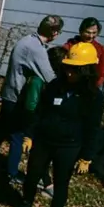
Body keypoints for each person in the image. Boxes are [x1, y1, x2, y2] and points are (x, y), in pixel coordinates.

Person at [9, 42, 104, 207]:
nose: (70, 73)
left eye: (75, 70)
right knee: (33, 174)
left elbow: (93, 128)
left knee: (61, 182)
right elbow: (39, 112)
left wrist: (87, 156)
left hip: (69, 146)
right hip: (44, 140)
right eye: (68, 68)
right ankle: (26, 204)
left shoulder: (93, 97)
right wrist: (29, 134)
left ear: (87, 71)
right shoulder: (55, 85)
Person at [0, 15, 64, 183]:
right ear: (55, 32)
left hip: (9, 92)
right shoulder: (36, 49)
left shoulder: (27, 40)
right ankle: (12, 172)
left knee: (2, 127)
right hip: (17, 97)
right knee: (18, 135)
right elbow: (50, 77)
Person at [20, 46, 69, 198]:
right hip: (36, 121)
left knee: (44, 157)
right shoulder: (39, 80)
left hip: (47, 123)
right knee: (37, 157)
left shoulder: (56, 81)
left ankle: (47, 182)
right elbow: (32, 105)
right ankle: (43, 184)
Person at [63, 17, 104, 90]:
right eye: (88, 32)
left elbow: (102, 74)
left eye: (94, 33)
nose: (91, 36)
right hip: (70, 85)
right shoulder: (71, 45)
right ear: (81, 31)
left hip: (90, 87)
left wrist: (93, 87)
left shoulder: (101, 49)